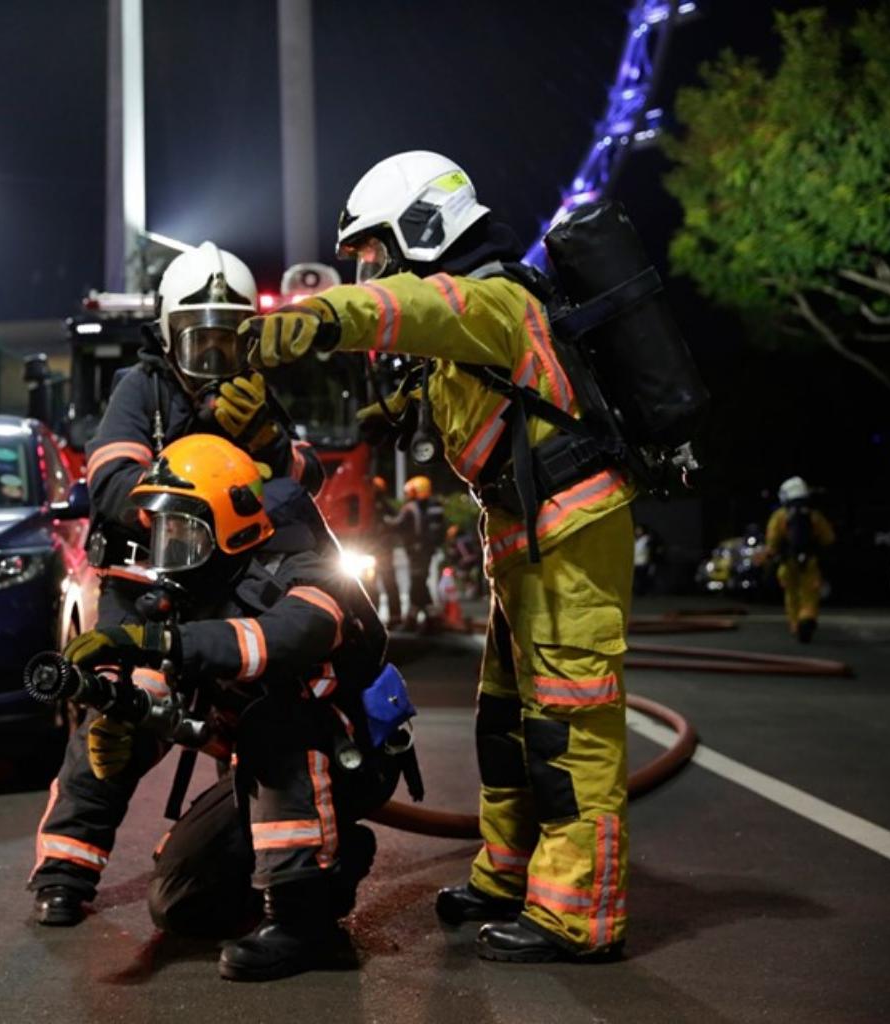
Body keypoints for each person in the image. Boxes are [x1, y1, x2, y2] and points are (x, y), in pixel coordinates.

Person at [240, 150, 636, 962]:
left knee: (566, 727)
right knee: (506, 722)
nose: (371, 269)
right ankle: (510, 873)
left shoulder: (491, 298)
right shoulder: (478, 323)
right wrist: (400, 406)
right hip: (528, 541)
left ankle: (579, 916)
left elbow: (419, 307)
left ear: (422, 227)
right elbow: (458, 373)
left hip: (569, 537)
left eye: (374, 251)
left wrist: (322, 316)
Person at [30, 242, 324, 928]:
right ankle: (66, 871)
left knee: (258, 715)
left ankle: (243, 861)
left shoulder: (255, 397)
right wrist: (192, 492)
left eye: (229, 339)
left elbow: (303, 481)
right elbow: (111, 484)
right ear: (168, 334)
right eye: (200, 339)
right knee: (117, 716)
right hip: (144, 584)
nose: (214, 356)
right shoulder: (142, 390)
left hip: (232, 587)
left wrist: (268, 441)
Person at [54, 434, 389, 981]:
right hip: (264, 772)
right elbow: (172, 688)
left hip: (347, 754)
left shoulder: (303, 565)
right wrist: (126, 717)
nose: (170, 548)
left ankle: (304, 924)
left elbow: (287, 637)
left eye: (184, 530)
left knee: (273, 722)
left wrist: (165, 641)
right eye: (163, 531)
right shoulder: (200, 586)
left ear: (231, 521)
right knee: (181, 903)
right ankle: (333, 857)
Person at [765, 476, 834, 643]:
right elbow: (829, 538)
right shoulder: (814, 515)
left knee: (791, 594)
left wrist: (772, 555)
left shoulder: (780, 516)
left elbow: (772, 541)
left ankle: (795, 624)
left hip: (787, 563)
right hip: (809, 562)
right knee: (809, 595)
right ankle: (807, 618)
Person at [383, 475, 443, 626]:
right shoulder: (435, 506)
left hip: (416, 551)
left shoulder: (411, 508)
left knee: (418, 582)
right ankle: (417, 616)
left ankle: (429, 617)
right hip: (427, 550)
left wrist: (383, 519)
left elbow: (396, 524)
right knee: (419, 581)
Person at [370, 475, 404, 625]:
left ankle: (394, 617)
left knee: (386, 582)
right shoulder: (367, 503)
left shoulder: (382, 505)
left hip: (382, 550)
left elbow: (396, 521)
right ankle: (374, 616)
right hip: (372, 549)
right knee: (371, 585)